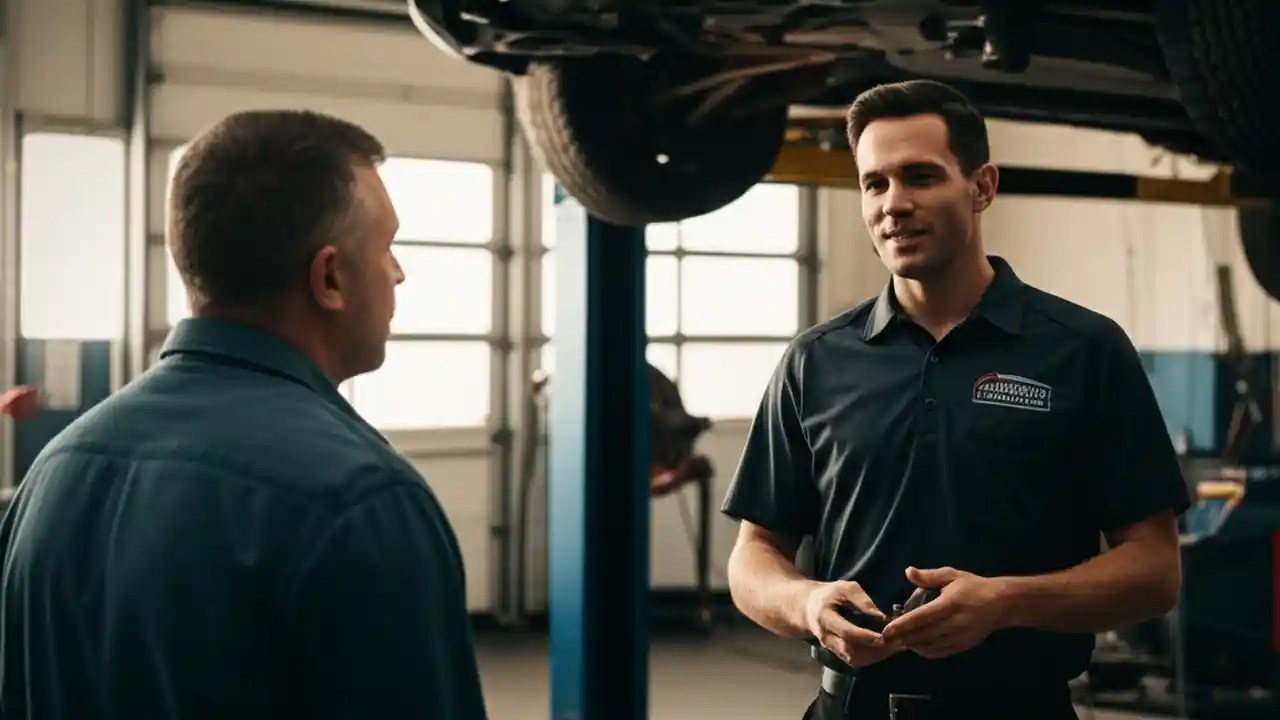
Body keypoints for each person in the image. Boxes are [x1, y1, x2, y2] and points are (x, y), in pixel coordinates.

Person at [722, 80, 1189, 719]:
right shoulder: (816, 361)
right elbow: (755, 557)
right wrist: (805, 603)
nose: (894, 204)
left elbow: (1155, 570)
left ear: (982, 187)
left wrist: (1002, 602)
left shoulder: (1084, 350)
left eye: (920, 176)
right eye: (874, 183)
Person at [0, 110, 488, 719]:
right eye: (387, 246)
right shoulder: (358, 499)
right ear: (330, 277)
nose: (399, 271)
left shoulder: (53, 473)